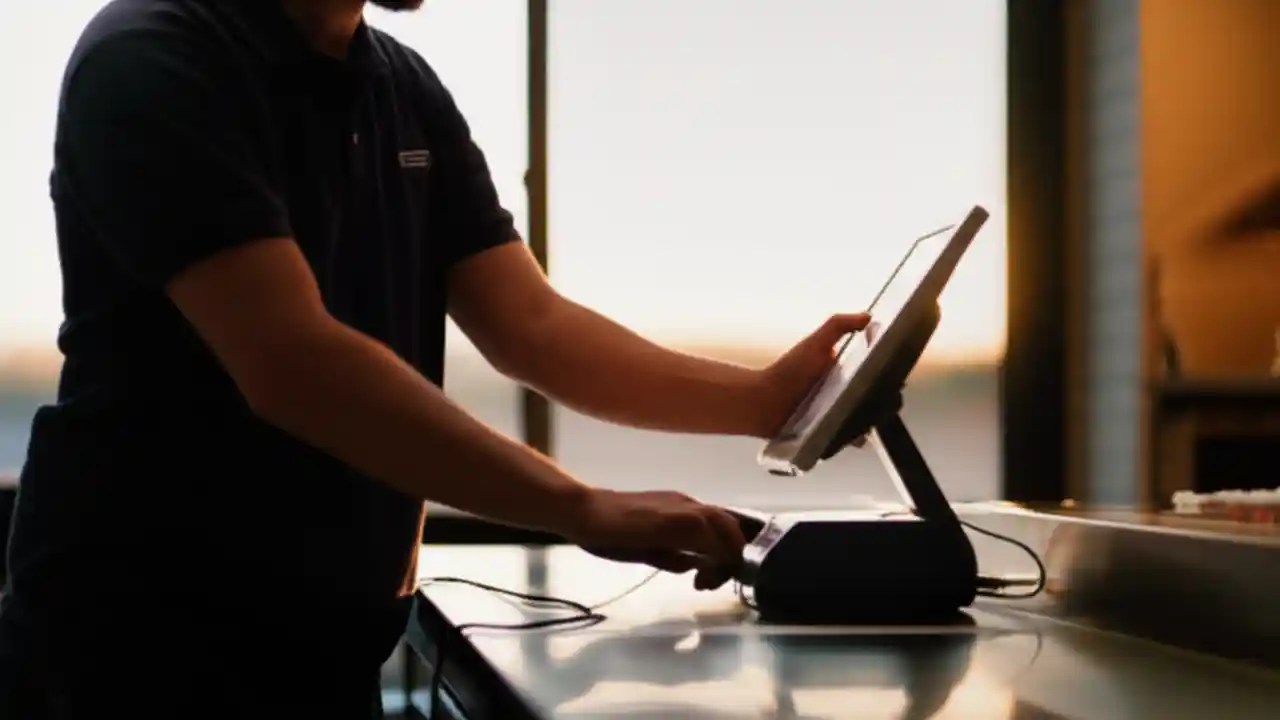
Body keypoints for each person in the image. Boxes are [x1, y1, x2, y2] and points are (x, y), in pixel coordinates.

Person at [0, 0, 868, 716]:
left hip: (325, 645)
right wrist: (583, 509)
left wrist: (763, 401)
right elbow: (292, 363)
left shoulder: (400, 84)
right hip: (141, 647)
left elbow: (530, 324)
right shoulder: (152, 57)